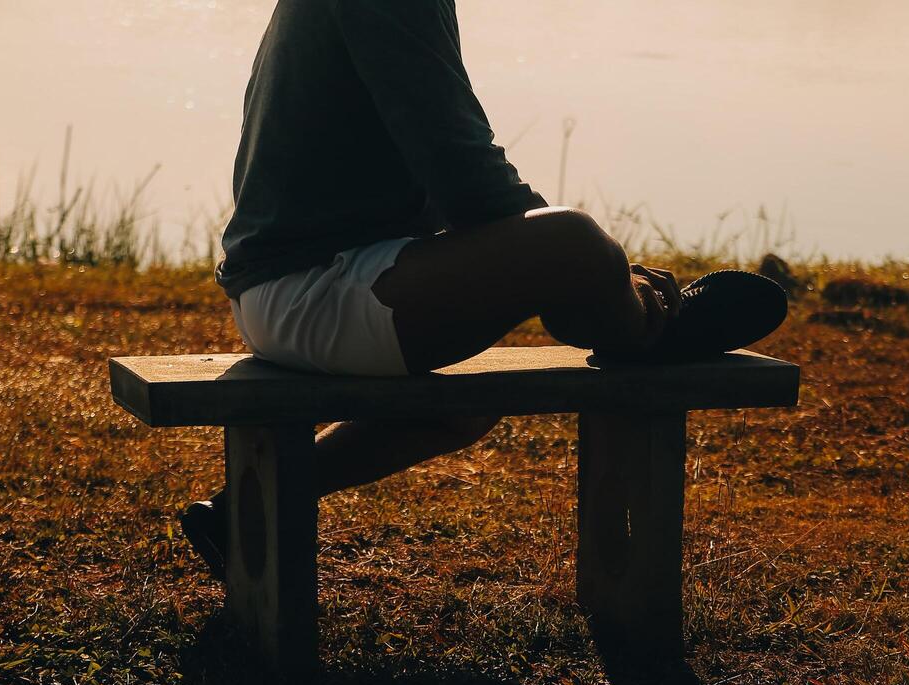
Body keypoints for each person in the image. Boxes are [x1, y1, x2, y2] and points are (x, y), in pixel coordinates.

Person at [181, 0, 786, 578]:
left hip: (305, 285)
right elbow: (461, 169)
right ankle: (647, 330)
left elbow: (443, 166)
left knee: (467, 404)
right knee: (575, 241)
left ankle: (242, 510)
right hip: (312, 288)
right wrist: (583, 270)